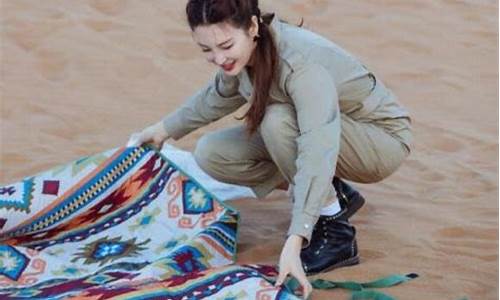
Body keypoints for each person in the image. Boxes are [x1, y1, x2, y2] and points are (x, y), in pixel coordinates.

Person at [127, 0, 412, 297]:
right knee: (212, 152)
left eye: (225, 45)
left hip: (380, 141)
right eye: (207, 50)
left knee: (277, 122)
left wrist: (296, 238)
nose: (219, 58)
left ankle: (335, 231)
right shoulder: (249, 51)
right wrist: (162, 131)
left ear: (252, 26)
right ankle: (333, 195)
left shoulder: (300, 64)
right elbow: (218, 95)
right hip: (329, 135)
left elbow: (318, 146)